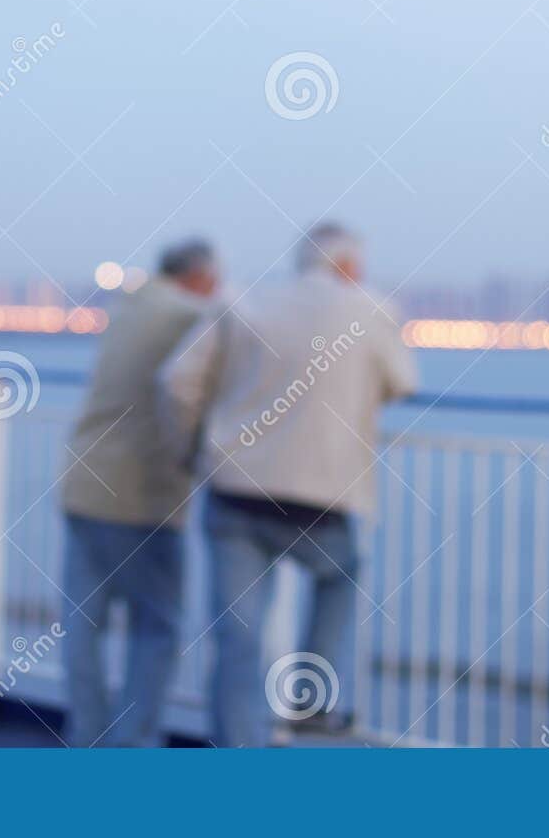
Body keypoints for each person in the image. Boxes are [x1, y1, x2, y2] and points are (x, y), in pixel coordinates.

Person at [158, 223, 417, 747]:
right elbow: (402, 382)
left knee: (238, 638)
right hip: (319, 498)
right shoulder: (367, 309)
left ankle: (238, 748)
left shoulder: (244, 304)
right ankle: (310, 705)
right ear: (346, 265)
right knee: (341, 574)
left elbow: (176, 380)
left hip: (233, 489)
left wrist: (191, 450)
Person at [58, 239, 219, 746]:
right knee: (157, 628)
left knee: (83, 627)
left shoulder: (128, 304)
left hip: (84, 484)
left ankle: (85, 740)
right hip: (142, 495)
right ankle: (132, 747)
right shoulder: (191, 313)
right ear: (198, 276)